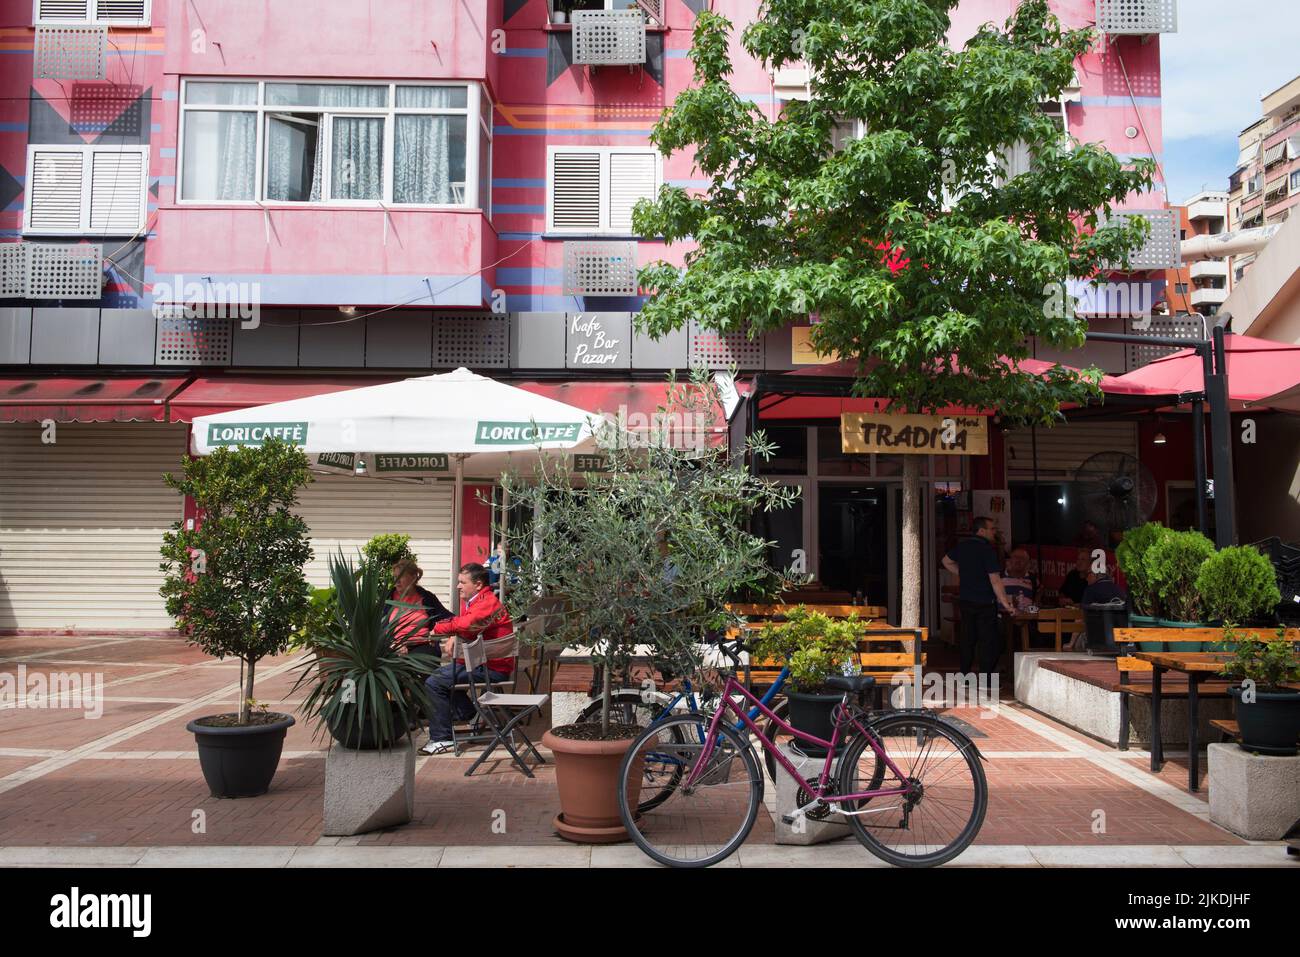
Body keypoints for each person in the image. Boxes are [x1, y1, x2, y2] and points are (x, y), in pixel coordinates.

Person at [419, 563, 516, 755]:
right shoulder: (479, 600)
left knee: (434, 682)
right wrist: (456, 634)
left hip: (491, 669)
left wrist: (439, 629)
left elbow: (467, 624)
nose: (458, 586)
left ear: (478, 584)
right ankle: (473, 715)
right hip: (486, 663)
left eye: (462, 582)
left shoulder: (486, 603)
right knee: (439, 678)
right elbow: (468, 627)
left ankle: (442, 738)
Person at [942, 517, 1017, 678]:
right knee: (987, 641)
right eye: (992, 529)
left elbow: (946, 561)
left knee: (967, 640)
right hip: (984, 602)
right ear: (981, 531)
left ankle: (964, 676)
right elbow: (995, 580)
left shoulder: (963, 546)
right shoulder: (987, 550)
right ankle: (986, 679)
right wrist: (1006, 603)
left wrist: (963, 573)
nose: (994, 531)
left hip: (966, 600)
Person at [387, 559, 451, 651]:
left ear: (413, 578)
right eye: (395, 577)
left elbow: (449, 618)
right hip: (393, 645)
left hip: (422, 644)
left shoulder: (427, 598)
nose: (397, 581)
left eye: (401, 576)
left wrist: (453, 636)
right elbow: (378, 626)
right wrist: (391, 644)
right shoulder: (388, 598)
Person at [1001, 547, 1038, 611]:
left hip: (1026, 618)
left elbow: (1036, 607)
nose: (1018, 560)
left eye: (1022, 558)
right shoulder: (999, 577)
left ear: (1028, 563)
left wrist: (1030, 611)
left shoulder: (1033, 580)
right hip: (1002, 619)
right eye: (1015, 557)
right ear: (1009, 560)